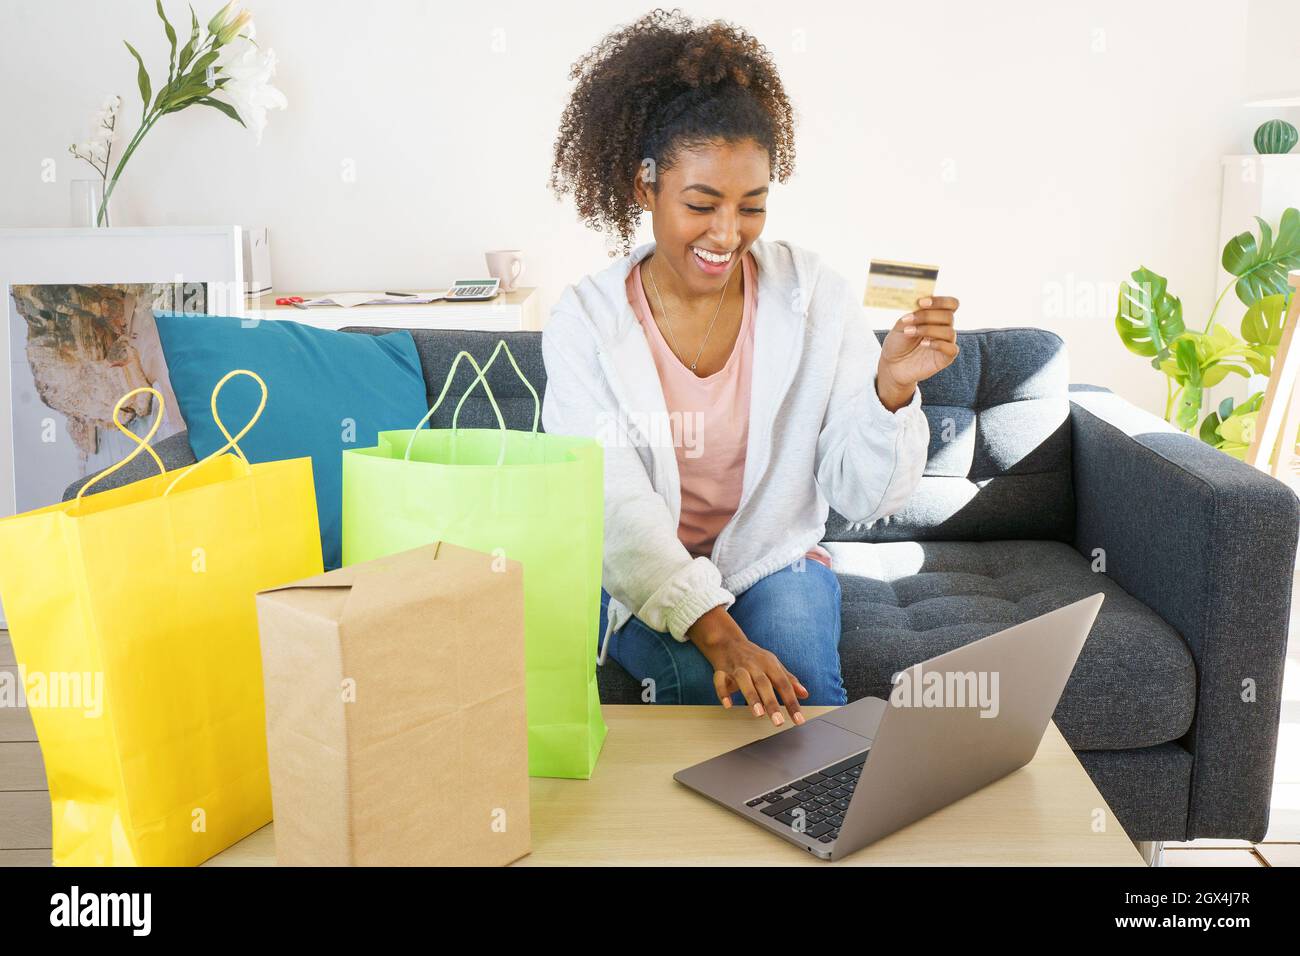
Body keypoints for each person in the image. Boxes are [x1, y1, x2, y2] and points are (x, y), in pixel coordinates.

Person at [543, 10, 959, 727]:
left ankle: (825, 824)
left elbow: (863, 496)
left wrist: (891, 391)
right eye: (701, 204)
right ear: (643, 186)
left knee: (797, 680)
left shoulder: (813, 295)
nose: (727, 234)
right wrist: (720, 635)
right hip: (644, 576)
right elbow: (611, 508)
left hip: (774, 562)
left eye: (752, 206)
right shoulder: (585, 321)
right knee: (706, 696)